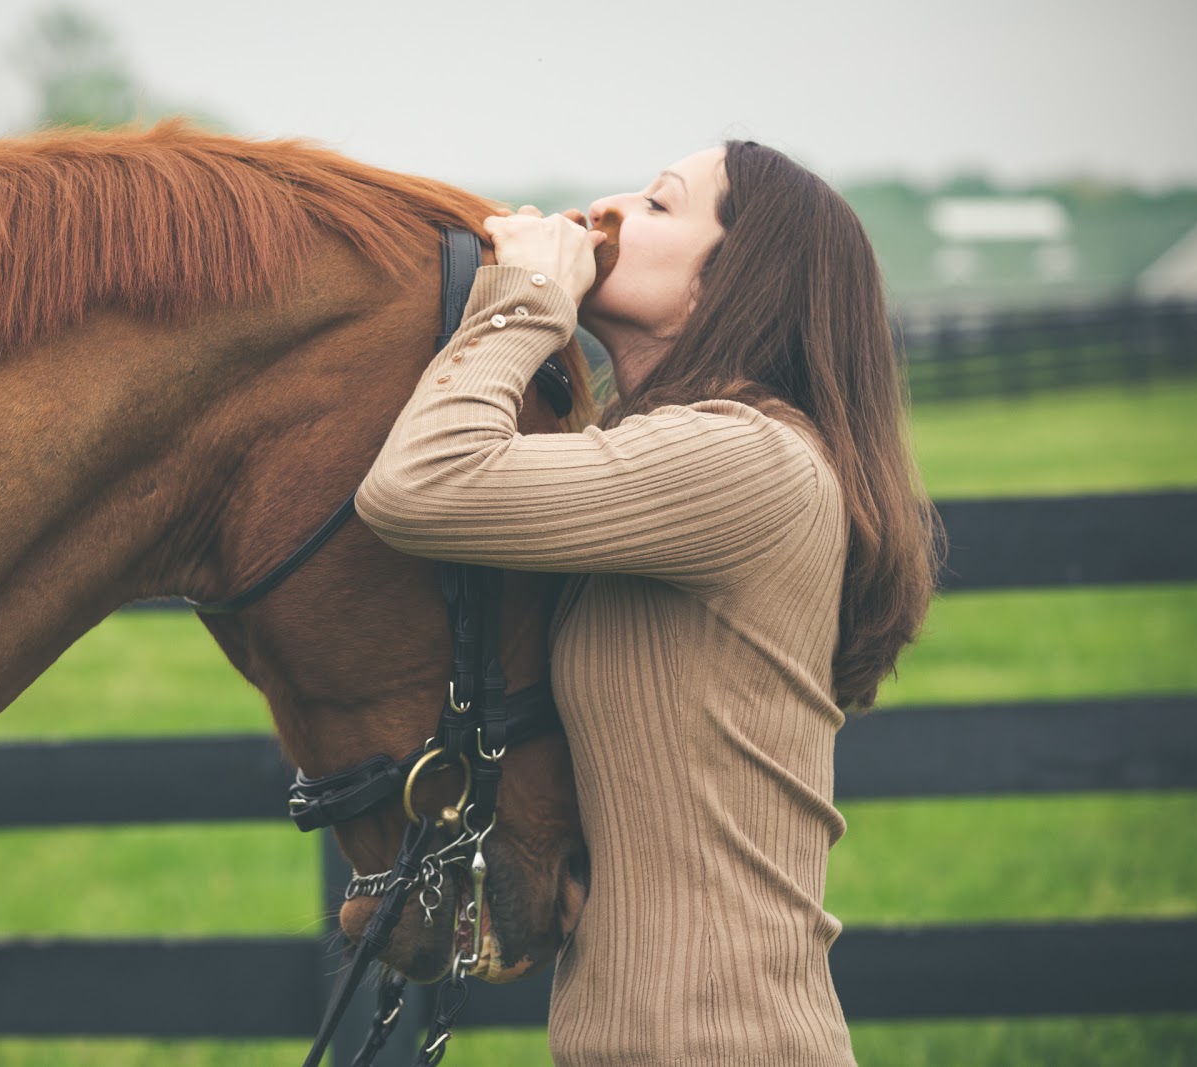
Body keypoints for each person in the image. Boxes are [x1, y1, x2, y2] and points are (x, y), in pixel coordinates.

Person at [352, 140, 943, 1066]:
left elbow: (420, 485)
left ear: (735, 280)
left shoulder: (746, 461)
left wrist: (523, 298)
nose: (607, 208)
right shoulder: (677, 467)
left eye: (661, 206)